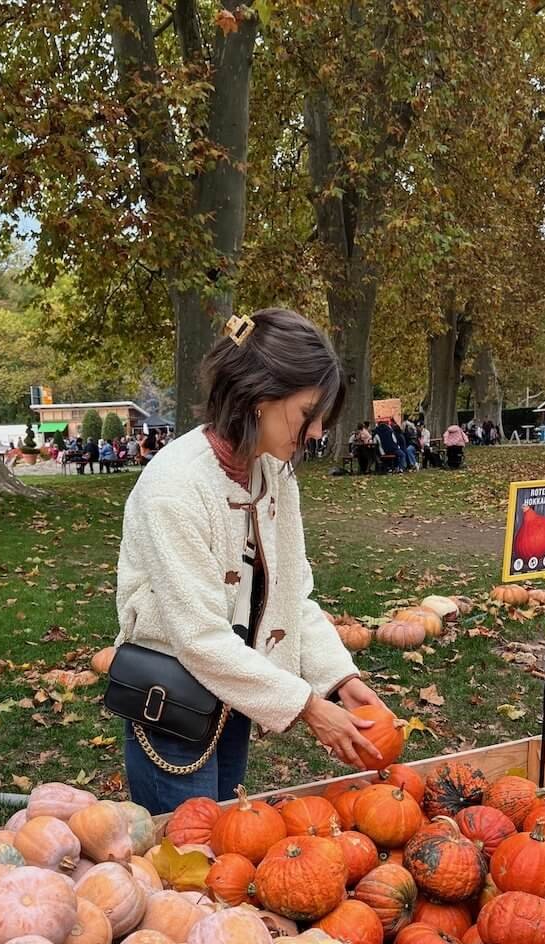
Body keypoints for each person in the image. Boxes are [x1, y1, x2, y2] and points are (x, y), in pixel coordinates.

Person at [114, 307, 386, 815]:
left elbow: (292, 595)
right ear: (260, 398)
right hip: (172, 704)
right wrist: (307, 706)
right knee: (188, 864)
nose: (317, 431)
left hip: (240, 693)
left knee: (228, 844)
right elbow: (197, 636)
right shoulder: (174, 488)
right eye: (309, 413)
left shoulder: (274, 475)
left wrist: (339, 679)